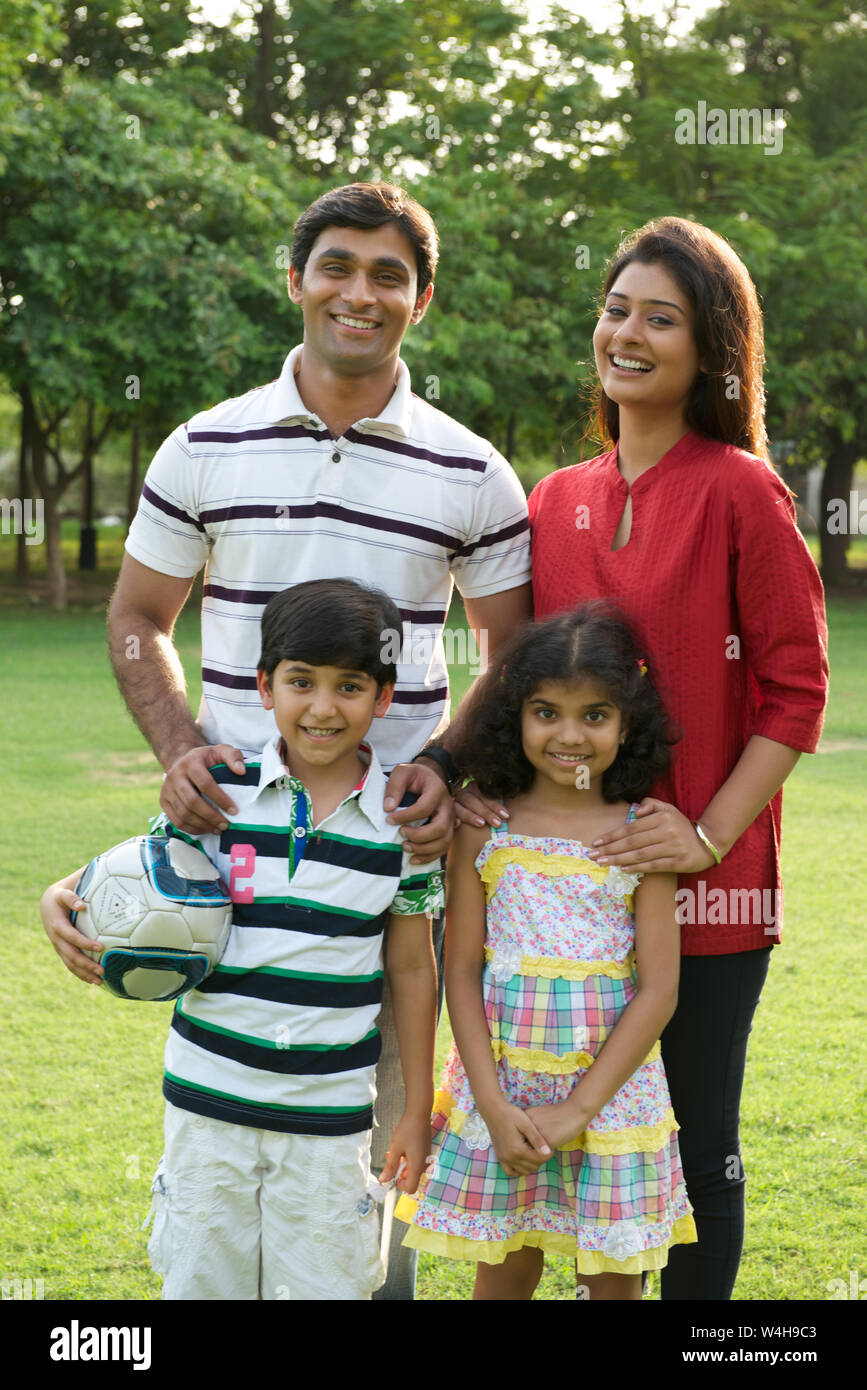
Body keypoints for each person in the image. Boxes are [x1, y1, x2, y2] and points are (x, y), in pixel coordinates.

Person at [87, 182, 533, 1298]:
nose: (359, 292)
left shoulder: (471, 470)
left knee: (358, 1215)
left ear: (420, 300)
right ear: (296, 279)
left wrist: (440, 767)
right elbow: (139, 620)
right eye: (337, 265)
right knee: (218, 1197)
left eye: (390, 275)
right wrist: (182, 746)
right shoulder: (204, 443)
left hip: (393, 858)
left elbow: (508, 648)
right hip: (234, 860)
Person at [460, 217, 829, 1299]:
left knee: (690, 1145)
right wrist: (470, 788)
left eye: (659, 318)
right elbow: (513, 683)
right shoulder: (553, 498)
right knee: (567, 1152)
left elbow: (796, 694)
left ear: (710, 350)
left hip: (704, 894)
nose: (627, 332)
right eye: (616, 309)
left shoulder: (744, 490)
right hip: (555, 895)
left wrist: (706, 833)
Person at [42, 579, 442, 1301]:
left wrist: (413, 1109)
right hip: (206, 1108)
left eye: (349, 686)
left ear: (383, 699)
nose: (322, 707)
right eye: (300, 682)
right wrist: (55, 894)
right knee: (203, 1287)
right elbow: (133, 875)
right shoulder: (218, 794)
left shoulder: (402, 826)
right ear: (264, 686)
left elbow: (413, 970)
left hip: (328, 1125)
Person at [397, 606, 697, 1300]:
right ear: (516, 715)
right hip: (504, 1091)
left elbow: (658, 990)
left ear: (628, 722)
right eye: (546, 712)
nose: (569, 736)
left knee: (613, 1278)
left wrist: (580, 1110)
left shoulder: (642, 834)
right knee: (504, 1266)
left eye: (595, 715)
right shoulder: (484, 829)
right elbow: (462, 972)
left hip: (612, 1100)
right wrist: (492, 1106)